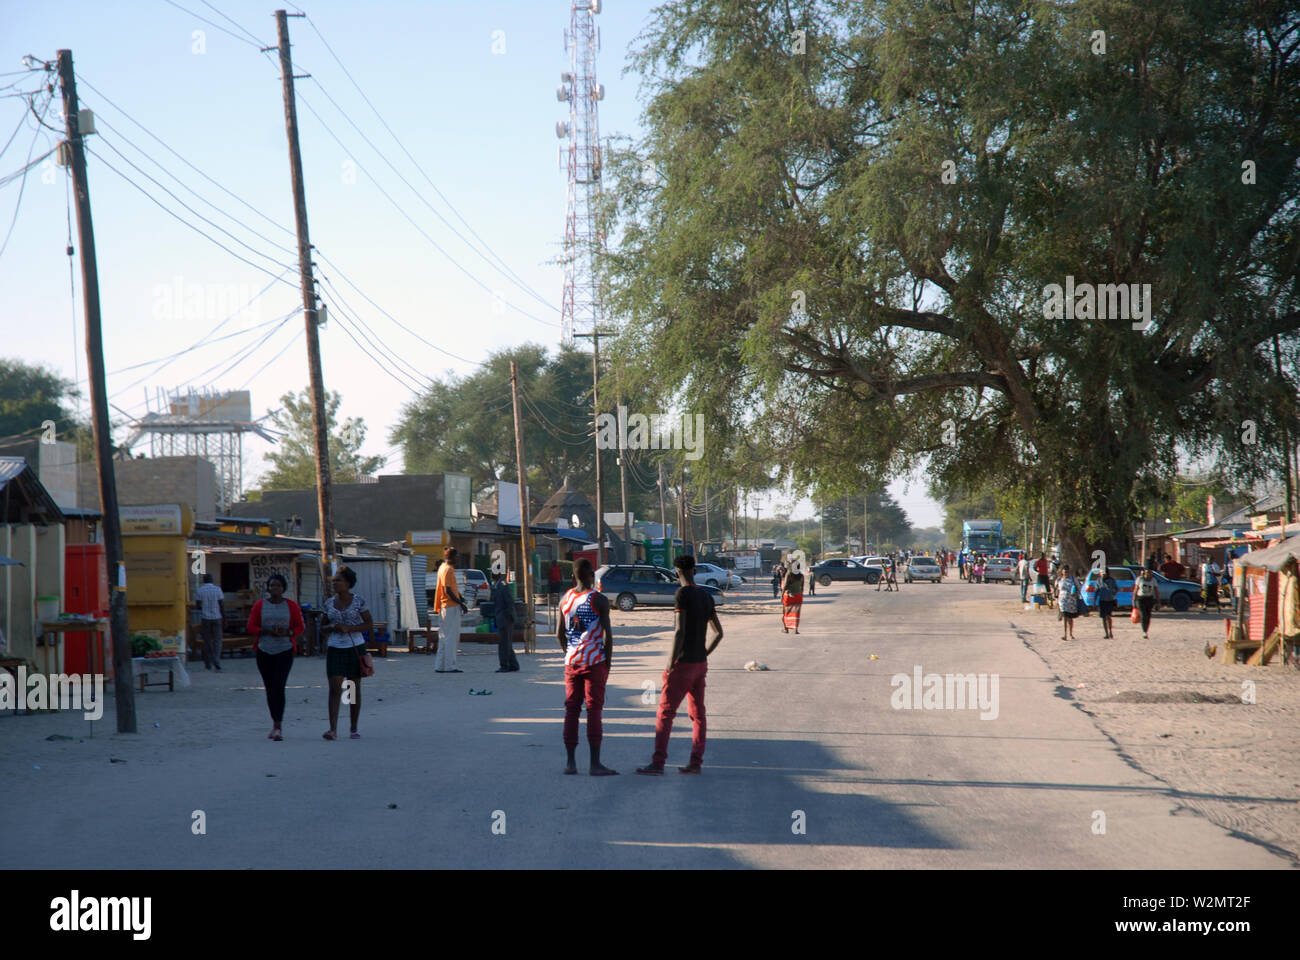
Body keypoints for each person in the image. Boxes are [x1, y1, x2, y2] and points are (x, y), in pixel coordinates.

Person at [637, 554, 723, 775]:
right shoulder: (706, 596)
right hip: (700, 663)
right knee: (698, 715)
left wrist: (669, 665)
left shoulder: (682, 594)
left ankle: (658, 763)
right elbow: (718, 633)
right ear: (694, 570)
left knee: (665, 713)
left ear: (676, 572)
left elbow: (679, 632)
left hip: (683, 663)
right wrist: (704, 653)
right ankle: (695, 763)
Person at [558, 558, 617, 776]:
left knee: (571, 710)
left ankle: (571, 763)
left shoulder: (565, 599)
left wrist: (570, 653)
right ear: (592, 576)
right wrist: (607, 664)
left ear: (573, 576)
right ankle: (595, 764)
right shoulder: (599, 600)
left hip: (571, 662)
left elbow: (558, 635)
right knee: (594, 710)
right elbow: (607, 637)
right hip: (594, 662)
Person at [245, 573, 304, 740]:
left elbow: (300, 627)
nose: (275, 588)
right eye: (272, 586)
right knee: (270, 688)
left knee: (279, 686)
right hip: (264, 650)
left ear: (283, 588)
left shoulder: (291, 606)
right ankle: (274, 722)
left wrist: (288, 632)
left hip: (284, 650)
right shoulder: (259, 606)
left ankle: (279, 725)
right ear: (268, 588)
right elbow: (251, 626)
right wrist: (265, 631)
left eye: (278, 585)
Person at [322, 565, 373, 741]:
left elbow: (369, 624)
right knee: (335, 688)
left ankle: (353, 728)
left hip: (355, 648)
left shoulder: (359, 601)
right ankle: (332, 729)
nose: (335, 583)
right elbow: (322, 627)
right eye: (334, 581)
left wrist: (350, 628)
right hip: (335, 648)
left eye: (339, 580)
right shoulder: (329, 603)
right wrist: (331, 627)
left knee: (352, 689)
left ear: (348, 583)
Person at [433, 546, 468, 673]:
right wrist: (460, 603)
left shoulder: (442, 567)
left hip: (444, 607)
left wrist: (460, 598)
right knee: (451, 638)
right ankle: (450, 666)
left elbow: (451, 589)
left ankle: (440, 665)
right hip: (451, 606)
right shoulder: (448, 570)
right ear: (452, 557)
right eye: (456, 556)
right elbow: (448, 591)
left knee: (443, 637)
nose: (458, 559)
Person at [194, 573, 225, 672]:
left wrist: (205, 608)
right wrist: (225, 618)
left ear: (204, 580)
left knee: (207, 641)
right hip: (217, 617)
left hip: (205, 618)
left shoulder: (200, 590)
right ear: (212, 580)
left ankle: (208, 663)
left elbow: (197, 605)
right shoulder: (218, 589)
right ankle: (216, 661)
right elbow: (221, 605)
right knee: (217, 640)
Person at [491, 572, 519, 673]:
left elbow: (509, 602)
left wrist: (508, 617)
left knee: (503, 644)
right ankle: (513, 664)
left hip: (505, 619)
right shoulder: (499, 585)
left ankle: (504, 665)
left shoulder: (502, 585)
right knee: (507, 643)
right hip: (502, 618)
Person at [1134, 567, 1158, 639]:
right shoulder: (1140, 579)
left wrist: (1158, 601)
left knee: (1148, 616)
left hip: (1149, 599)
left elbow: (1156, 591)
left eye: (1150, 573)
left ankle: (1146, 630)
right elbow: (1136, 590)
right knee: (1143, 614)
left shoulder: (1153, 580)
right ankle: (1144, 631)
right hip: (1140, 599)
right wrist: (1133, 600)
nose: (1148, 574)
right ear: (1144, 573)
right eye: (1147, 573)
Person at [780, 562, 804, 634]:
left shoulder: (789, 574)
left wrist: (782, 594)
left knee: (786, 613)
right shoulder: (801, 576)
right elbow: (802, 587)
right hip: (798, 596)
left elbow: (785, 585)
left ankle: (786, 629)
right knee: (796, 613)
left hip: (789, 596)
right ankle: (795, 629)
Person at [1058, 565, 1081, 640]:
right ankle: (1065, 634)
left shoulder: (1073, 579)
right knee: (1065, 616)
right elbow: (1058, 590)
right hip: (1062, 601)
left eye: (1067, 572)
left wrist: (1076, 593)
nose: (1066, 573)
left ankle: (1070, 633)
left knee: (1070, 618)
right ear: (1062, 572)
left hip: (1071, 602)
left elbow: (1079, 588)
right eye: (1064, 572)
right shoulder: (1060, 580)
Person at [1096, 567, 1119, 639]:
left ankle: (1110, 631)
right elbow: (1096, 591)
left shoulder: (1111, 580)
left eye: (1104, 573)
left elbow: (1116, 588)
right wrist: (1094, 601)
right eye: (1101, 573)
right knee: (1103, 617)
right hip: (1102, 601)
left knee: (1108, 616)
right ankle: (1106, 633)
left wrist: (1113, 594)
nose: (1103, 574)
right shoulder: (1098, 581)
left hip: (1109, 600)